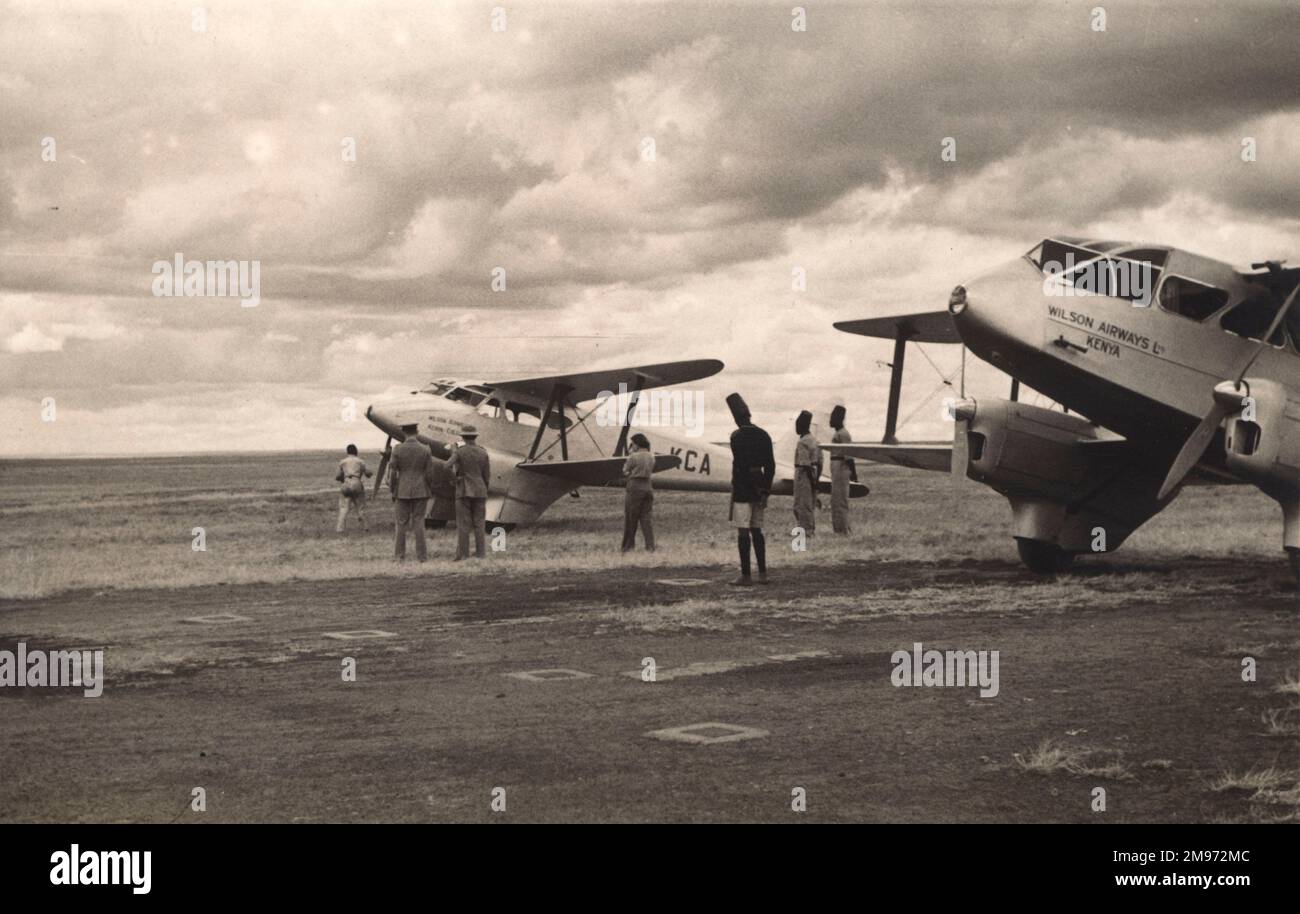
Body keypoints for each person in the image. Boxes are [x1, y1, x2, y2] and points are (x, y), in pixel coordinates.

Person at [726, 393, 775, 585]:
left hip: (742, 489)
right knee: (757, 531)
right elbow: (770, 466)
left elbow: (739, 465)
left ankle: (746, 575)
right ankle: (763, 574)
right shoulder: (764, 435)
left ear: (736, 418)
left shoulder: (736, 437)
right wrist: (765, 490)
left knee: (743, 532)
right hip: (760, 488)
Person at [388, 423, 436, 562]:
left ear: (403, 432)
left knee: (401, 524)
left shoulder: (397, 449)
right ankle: (422, 557)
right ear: (417, 432)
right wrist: (429, 488)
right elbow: (430, 474)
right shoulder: (426, 449)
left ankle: (399, 557)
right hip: (421, 490)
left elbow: (393, 473)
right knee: (419, 523)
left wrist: (393, 490)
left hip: (402, 490)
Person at [446, 425, 491, 560]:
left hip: (464, 489)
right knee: (479, 523)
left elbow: (447, 466)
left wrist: (455, 479)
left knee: (463, 524)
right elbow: (487, 475)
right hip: (480, 489)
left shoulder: (459, 452)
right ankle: (481, 554)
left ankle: (463, 554)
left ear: (463, 437)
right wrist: (484, 487)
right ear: (475, 436)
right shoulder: (483, 452)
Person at [621, 433, 656, 552]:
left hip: (635, 486)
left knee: (631, 518)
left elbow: (625, 471)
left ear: (636, 444)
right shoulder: (651, 456)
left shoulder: (633, 457)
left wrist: (630, 455)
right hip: (648, 485)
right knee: (646, 518)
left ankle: (628, 547)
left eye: (633, 444)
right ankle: (650, 547)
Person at [793, 410, 822, 537]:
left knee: (801, 504)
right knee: (809, 504)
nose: (796, 428)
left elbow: (805, 464)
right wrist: (816, 479)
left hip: (803, 474)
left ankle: (805, 531)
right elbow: (820, 462)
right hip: (814, 473)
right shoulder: (815, 441)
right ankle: (810, 529)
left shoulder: (802, 442)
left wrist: (811, 480)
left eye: (798, 425)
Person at [829, 405, 856, 534]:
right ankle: (839, 528)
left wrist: (853, 474)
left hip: (841, 467)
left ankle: (843, 529)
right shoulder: (838, 433)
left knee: (840, 499)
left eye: (833, 417)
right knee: (836, 499)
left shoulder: (843, 434)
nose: (830, 420)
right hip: (836, 467)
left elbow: (849, 456)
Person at [335, 444, 373, 533]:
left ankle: (340, 529)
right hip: (357, 482)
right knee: (360, 507)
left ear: (347, 451)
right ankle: (365, 527)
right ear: (356, 451)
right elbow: (367, 474)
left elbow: (337, 476)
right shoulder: (360, 461)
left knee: (344, 508)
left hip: (346, 483)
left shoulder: (342, 462)